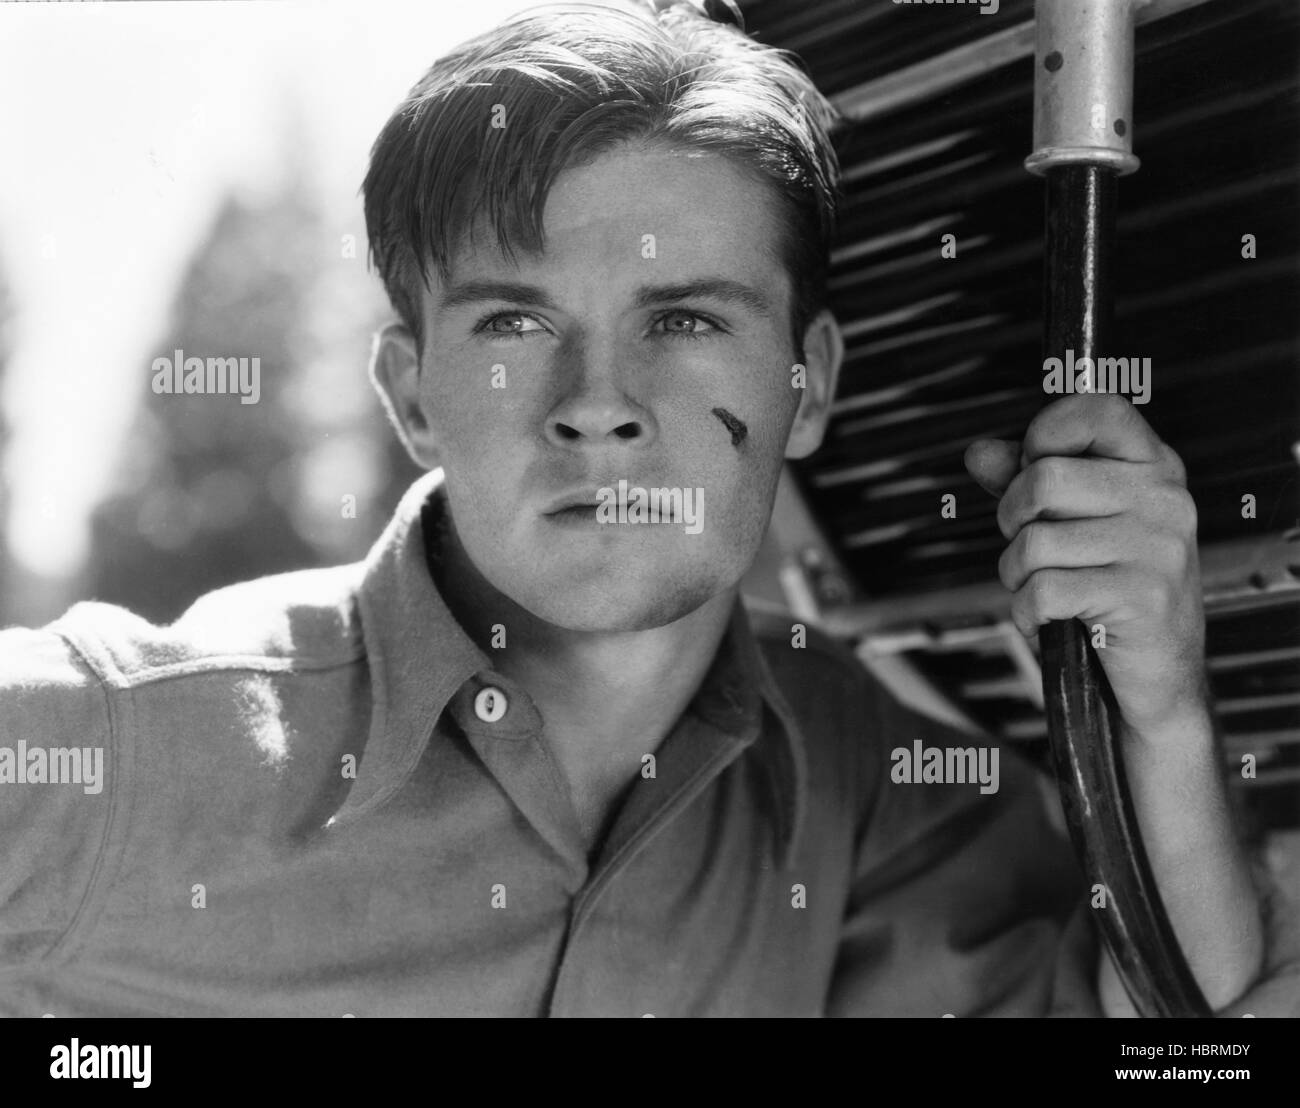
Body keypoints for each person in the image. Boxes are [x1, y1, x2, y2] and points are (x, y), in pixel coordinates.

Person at [0, 0, 1288, 1017]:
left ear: (808, 383)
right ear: (412, 397)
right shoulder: (101, 751)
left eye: (682, 320)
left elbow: (1187, 1034)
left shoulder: (875, 799)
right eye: (515, 321)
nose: (598, 405)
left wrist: (1164, 704)